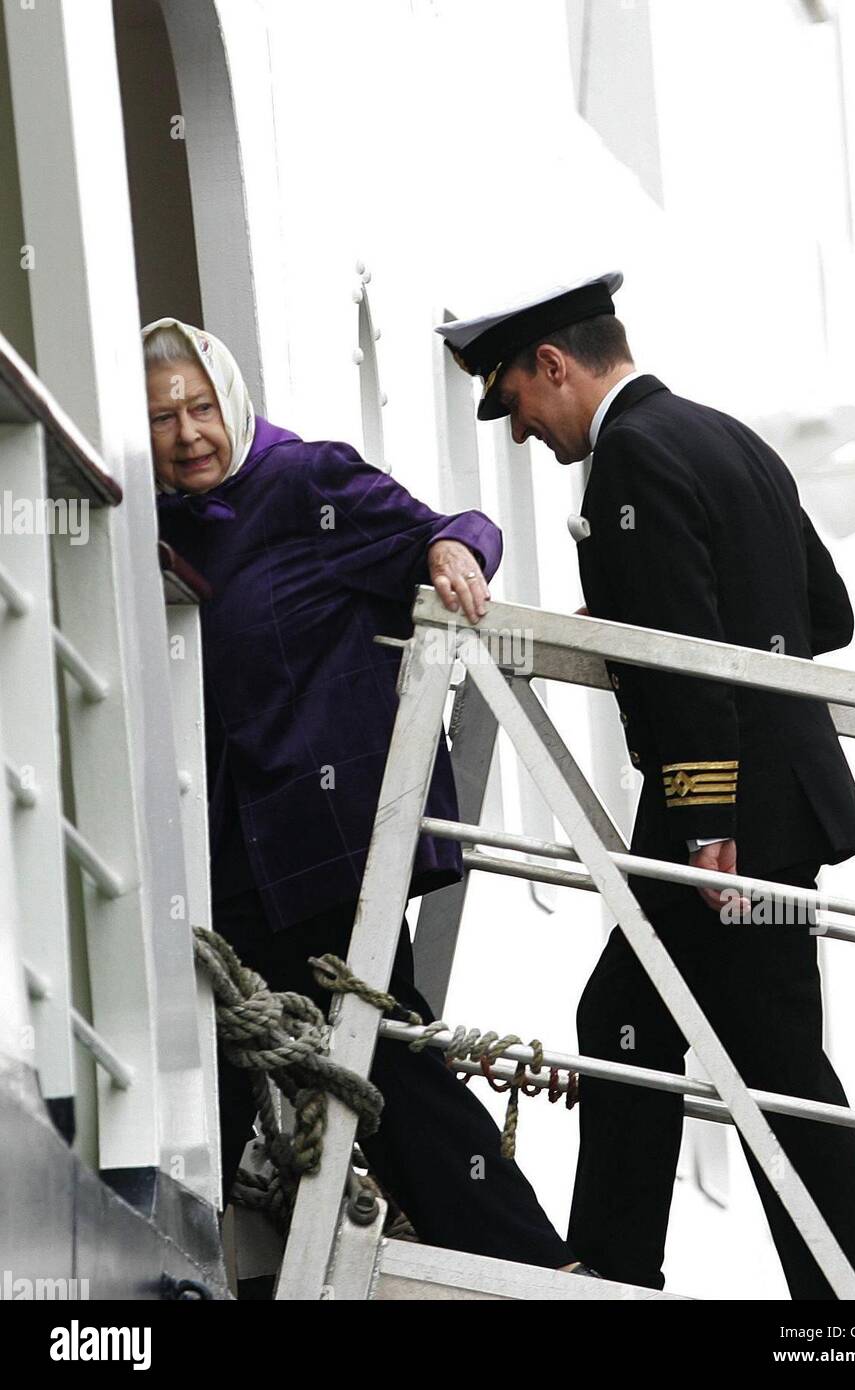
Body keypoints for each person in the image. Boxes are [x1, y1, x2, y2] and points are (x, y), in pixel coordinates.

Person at [436, 274, 855, 1299]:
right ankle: (841, 1292)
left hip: (729, 819)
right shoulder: (729, 438)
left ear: (552, 365)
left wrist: (703, 829)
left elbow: (687, 658)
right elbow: (825, 614)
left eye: (512, 400)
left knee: (694, 1040)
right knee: (728, 1048)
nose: (520, 432)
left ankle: (624, 1272)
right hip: (775, 801)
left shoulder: (631, 460)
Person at [141, 316, 582, 1285]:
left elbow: (448, 528)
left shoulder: (303, 482)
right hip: (227, 859)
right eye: (163, 416)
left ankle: (529, 1265)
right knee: (228, 1064)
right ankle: (216, 1266)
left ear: (233, 400)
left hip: (322, 842)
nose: (187, 434)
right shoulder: (154, 524)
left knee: (385, 1060)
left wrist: (451, 555)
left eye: (201, 407)